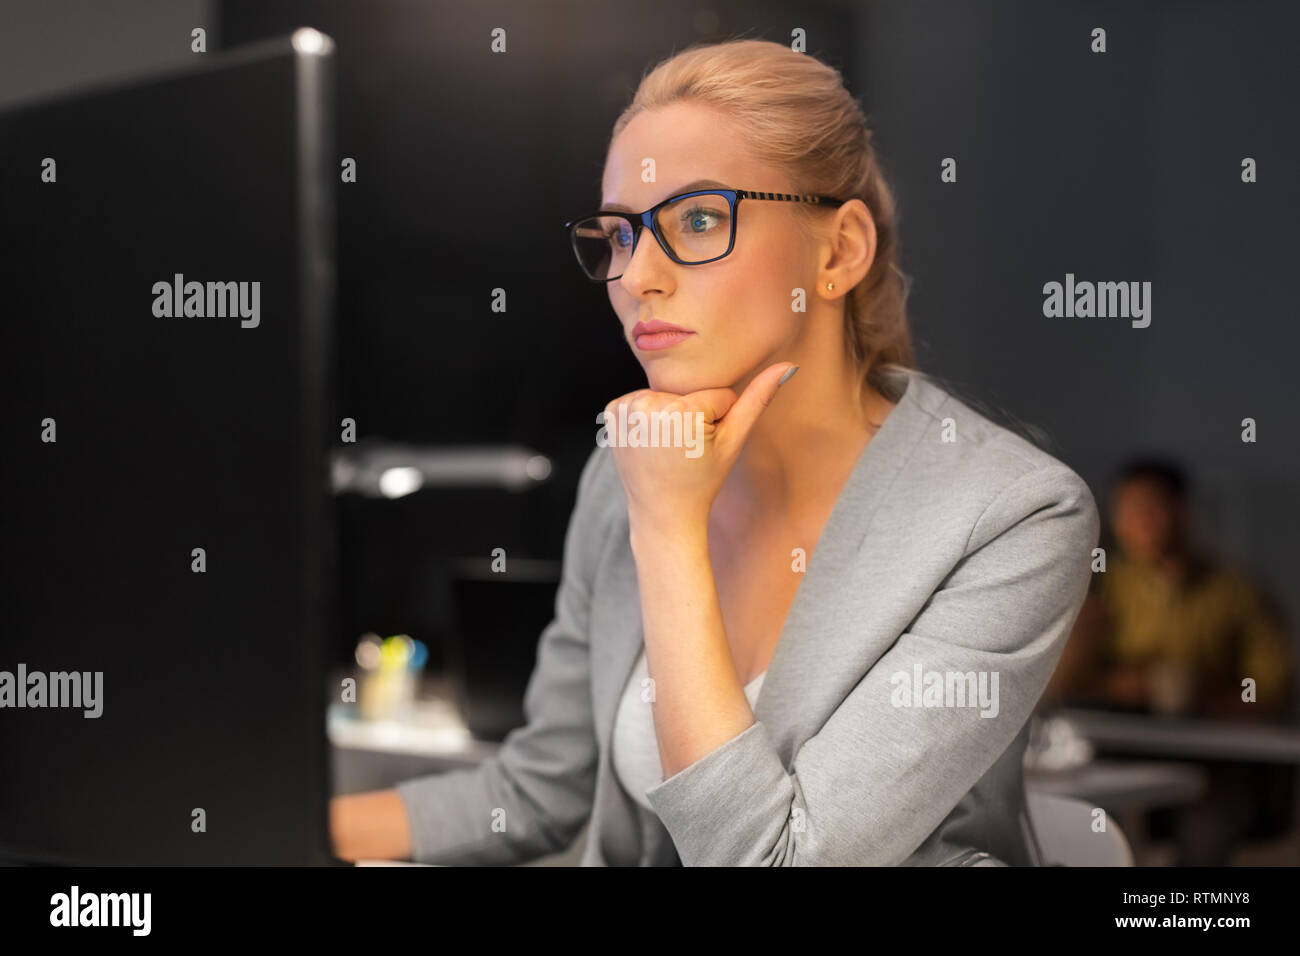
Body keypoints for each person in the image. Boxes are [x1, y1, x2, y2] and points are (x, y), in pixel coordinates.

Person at [330, 37, 1099, 866]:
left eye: (699, 218)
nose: (638, 277)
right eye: (619, 234)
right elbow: (542, 790)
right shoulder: (620, 477)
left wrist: (666, 530)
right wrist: (272, 828)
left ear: (838, 251)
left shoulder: (1013, 515)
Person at [1043, 458, 1295, 865]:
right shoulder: (1104, 588)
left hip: (1215, 765)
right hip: (1117, 751)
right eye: (1128, 510)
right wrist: (1113, 679)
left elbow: (1272, 692)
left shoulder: (1238, 593)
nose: (1139, 522)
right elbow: (1058, 688)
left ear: (1183, 510)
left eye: (1151, 508)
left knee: (1206, 829)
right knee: (1082, 824)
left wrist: (1197, 698)